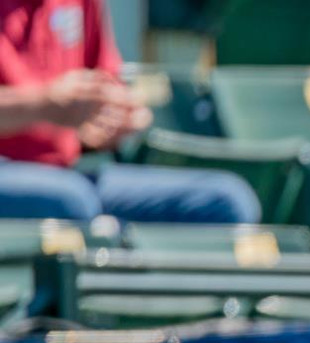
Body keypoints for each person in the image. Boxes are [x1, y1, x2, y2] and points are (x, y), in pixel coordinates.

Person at [0, 0, 259, 224]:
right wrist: (42, 104)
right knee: (68, 201)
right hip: (31, 182)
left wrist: (116, 119)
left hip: (67, 173)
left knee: (224, 201)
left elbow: (106, 84)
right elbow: (54, 103)